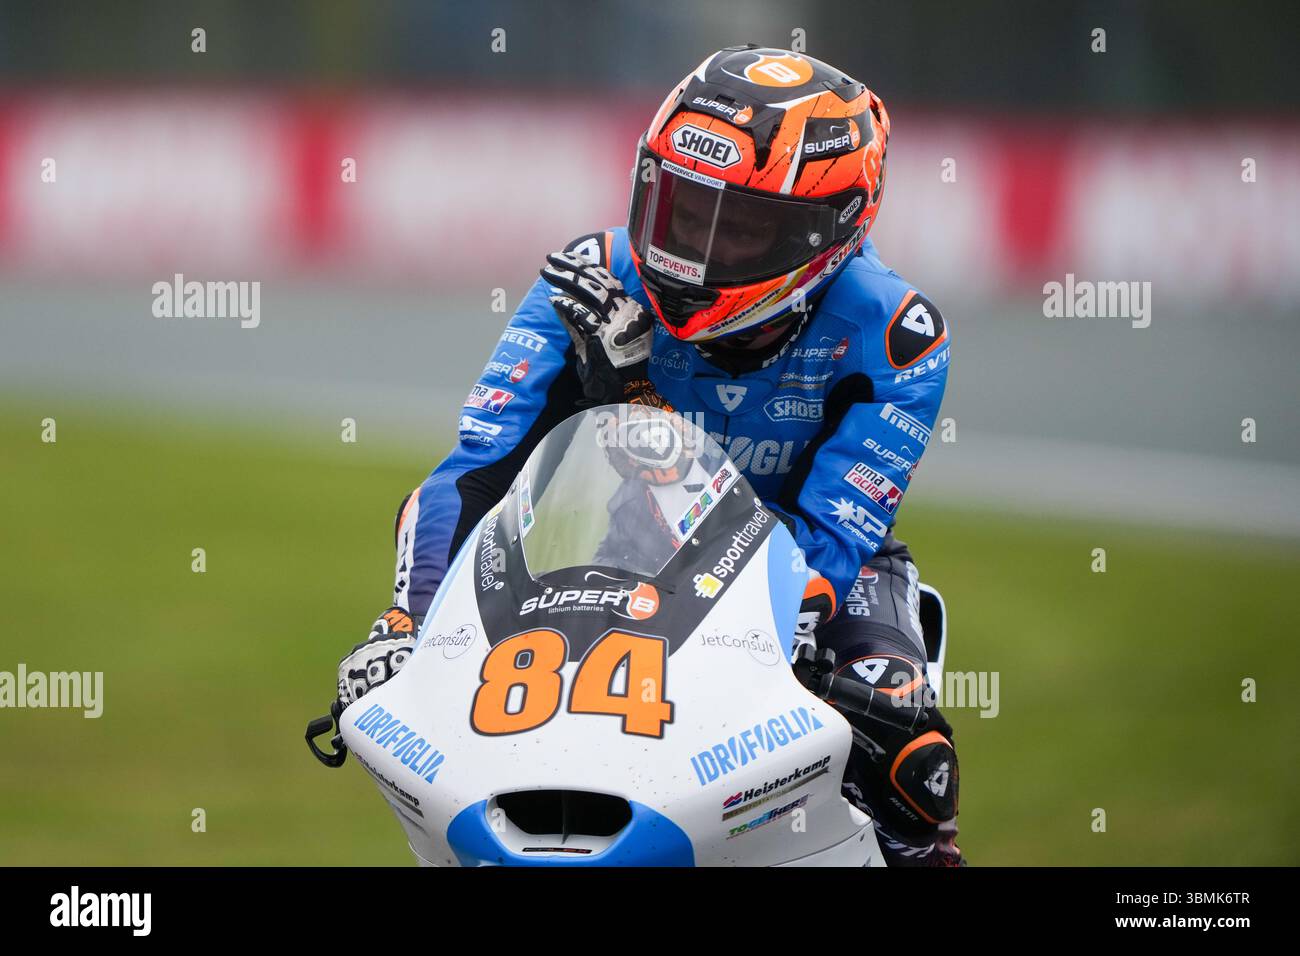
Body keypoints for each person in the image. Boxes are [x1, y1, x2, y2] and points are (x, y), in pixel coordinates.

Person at [335, 45, 961, 866]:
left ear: (827, 231)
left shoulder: (898, 335)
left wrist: (637, 401)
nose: (688, 253)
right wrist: (404, 622)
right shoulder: (591, 277)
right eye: (675, 207)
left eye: (736, 226)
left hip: (823, 578)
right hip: (620, 564)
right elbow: (470, 474)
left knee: (912, 754)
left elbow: (825, 550)